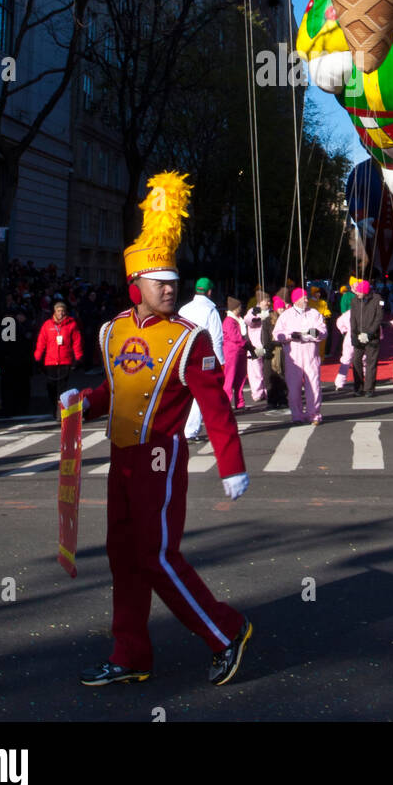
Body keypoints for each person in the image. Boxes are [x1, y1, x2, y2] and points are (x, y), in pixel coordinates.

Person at [71, 169, 251, 688]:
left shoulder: (190, 339)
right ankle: (130, 654)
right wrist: (82, 403)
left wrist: (231, 466)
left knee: (156, 556)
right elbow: (115, 394)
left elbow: (216, 407)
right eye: (160, 282)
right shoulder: (111, 330)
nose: (170, 289)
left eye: (173, 282)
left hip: (161, 460)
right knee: (123, 558)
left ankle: (226, 630)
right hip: (121, 460)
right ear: (135, 285)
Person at [180, 277, 224, 441]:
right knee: (200, 394)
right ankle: (190, 431)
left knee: (184, 392)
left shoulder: (184, 309)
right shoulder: (210, 310)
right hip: (203, 357)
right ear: (210, 291)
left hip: (183, 356)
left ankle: (182, 428)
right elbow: (217, 338)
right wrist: (220, 361)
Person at [275, 288, 327, 424]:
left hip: (311, 355)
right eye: (303, 298)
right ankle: (297, 415)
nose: (306, 300)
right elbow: (277, 334)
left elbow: (323, 331)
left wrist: (314, 334)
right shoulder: (286, 315)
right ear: (296, 300)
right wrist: (290, 335)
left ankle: (314, 414)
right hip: (294, 356)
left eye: (306, 297)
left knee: (314, 386)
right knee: (293, 388)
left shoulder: (314, 313)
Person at [34, 295, 83, 421]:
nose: (61, 313)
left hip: (65, 360)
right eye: (58, 311)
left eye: (63, 311)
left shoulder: (71, 324)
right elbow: (41, 341)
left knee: (62, 387)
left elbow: (76, 341)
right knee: (51, 387)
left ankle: (60, 410)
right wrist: (37, 357)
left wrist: (78, 357)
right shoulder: (47, 325)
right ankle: (53, 406)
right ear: (54, 312)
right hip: (50, 361)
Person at [350, 279, 384, 396]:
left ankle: (369, 388)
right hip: (358, 335)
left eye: (359, 292)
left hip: (372, 336)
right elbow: (352, 319)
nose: (357, 294)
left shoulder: (376, 299)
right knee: (356, 361)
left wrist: (370, 333)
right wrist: (354, 335)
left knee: (371, 362)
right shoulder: (354, 300)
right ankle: (358, 387)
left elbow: (379, 318)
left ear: (365, 292)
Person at [222, 297, 249, 410]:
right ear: (235, 309)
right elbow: (235, 337)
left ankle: (240, 402)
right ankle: (226, 403)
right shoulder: (229, 321)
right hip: (232, 353)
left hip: (240, 352)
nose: (241, 309)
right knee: (230, 378)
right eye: (239, 307)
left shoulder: (237, 320)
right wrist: (246, 344)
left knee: (240, 378)